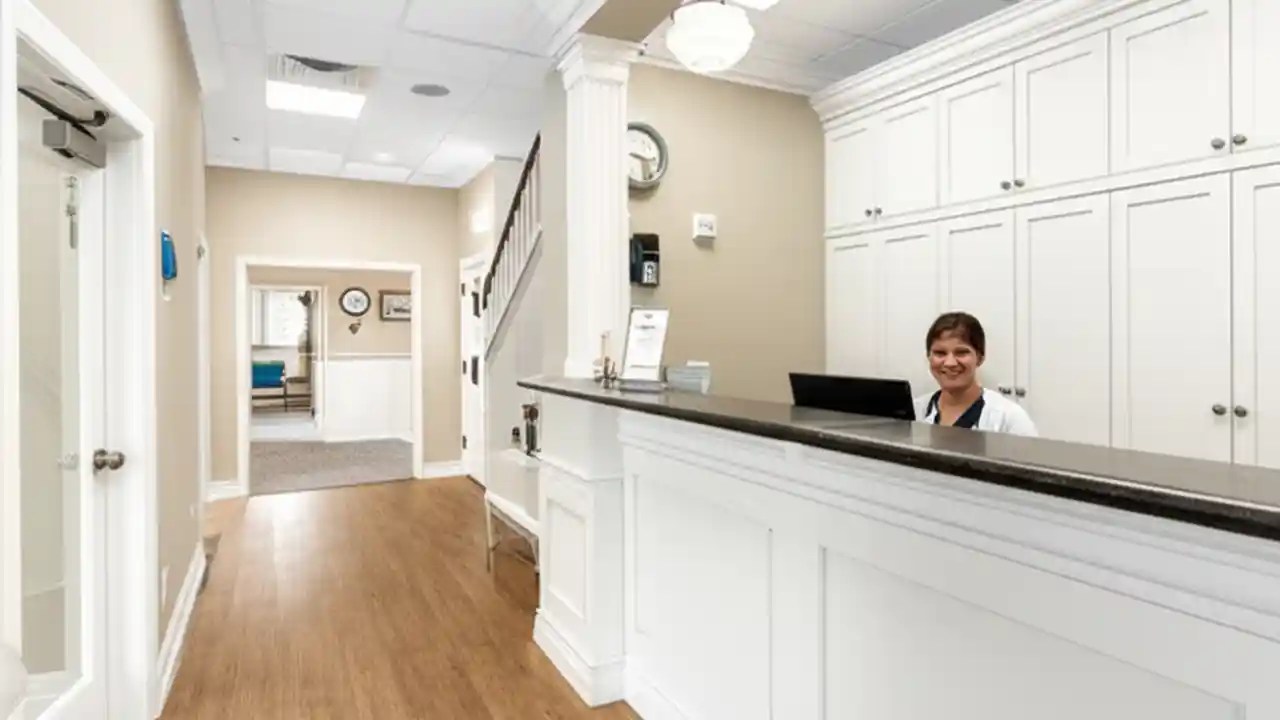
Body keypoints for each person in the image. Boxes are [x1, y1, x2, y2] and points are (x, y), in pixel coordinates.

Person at [914, 311, 1037, 436]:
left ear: (980, 357)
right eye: (940, 353)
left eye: (961, 352)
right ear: (929, 357)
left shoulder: (1009, 420)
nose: (950, 363)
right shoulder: (914, 412)